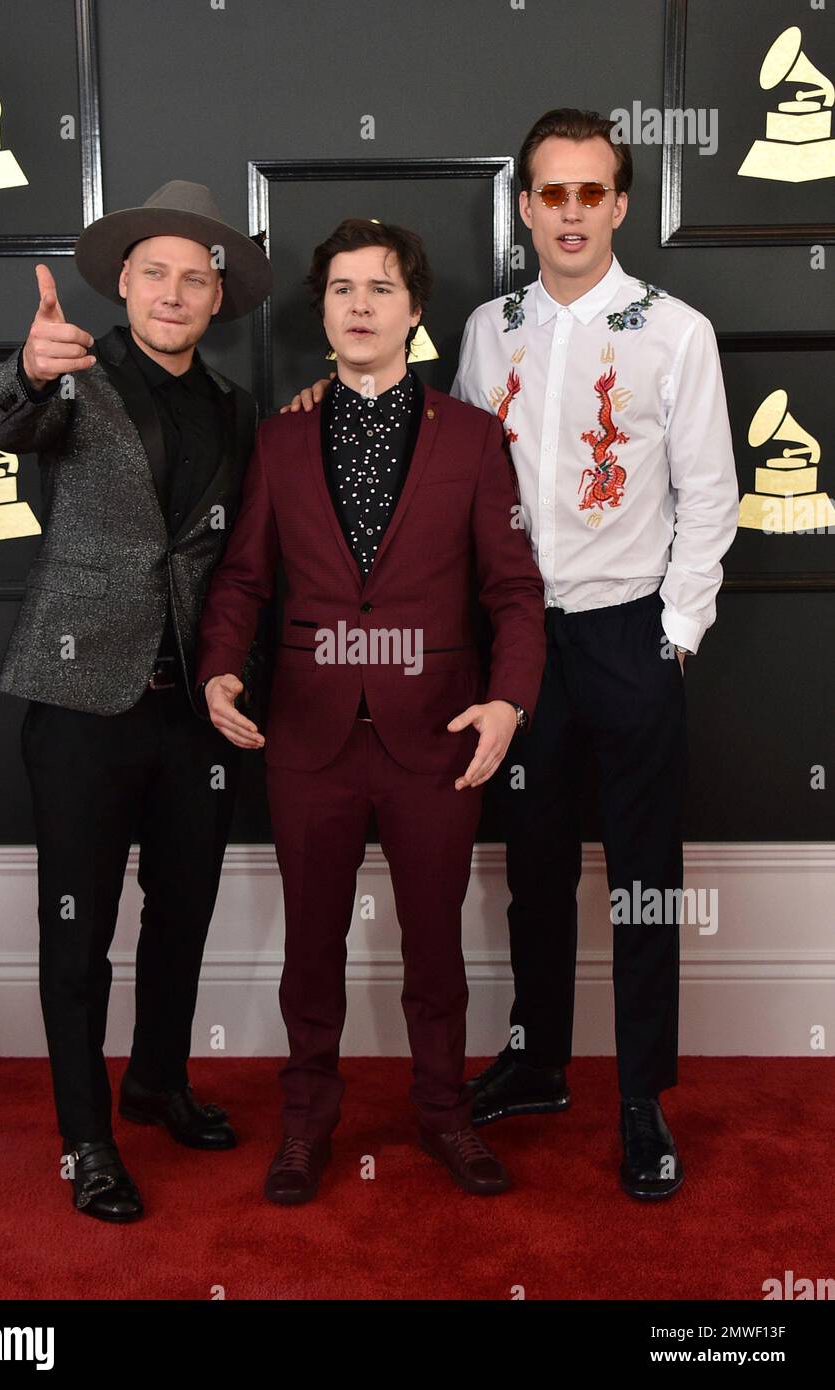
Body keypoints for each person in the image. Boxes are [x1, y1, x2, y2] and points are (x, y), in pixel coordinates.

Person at [288, 110, 740, 1201]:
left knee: (640, 883)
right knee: (529, 872)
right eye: (552, 193)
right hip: (515, 645)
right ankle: (538, 1062)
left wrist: (673, 636)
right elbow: (409, 420)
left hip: (630, 634)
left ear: (618, 205)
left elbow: (710, 494)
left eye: (592, 192)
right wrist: (312, 405)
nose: (571, 212)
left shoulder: (675, 330)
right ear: (526, 207)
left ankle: (640, 1096)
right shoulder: (487, 329)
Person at [195, 217, 545, 1204]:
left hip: (435, 737)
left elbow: (514, 591)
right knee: (311, 946)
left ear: (412, 310)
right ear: (323, 309)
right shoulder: (277, 437)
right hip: (304, 736)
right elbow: (242, 579)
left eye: (379, 288)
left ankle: (443, 1114)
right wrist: (221, 669)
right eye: (341, 287)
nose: (358, 304)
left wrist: (507, 701)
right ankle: (305, 1121)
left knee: (434, 944)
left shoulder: (475, 440)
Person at [0, 181, 272, 1222]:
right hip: (78, 699)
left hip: (189, 705)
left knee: (180, 915)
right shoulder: (74, 372)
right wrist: (21, 370)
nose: (174, 291)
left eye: (195, 277)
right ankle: (87, 1139)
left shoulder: (236, 405)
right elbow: (6, 418)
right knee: (78, 928)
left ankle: (156, 1081)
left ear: (215, 294)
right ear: (125, 282)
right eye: (156, 272)